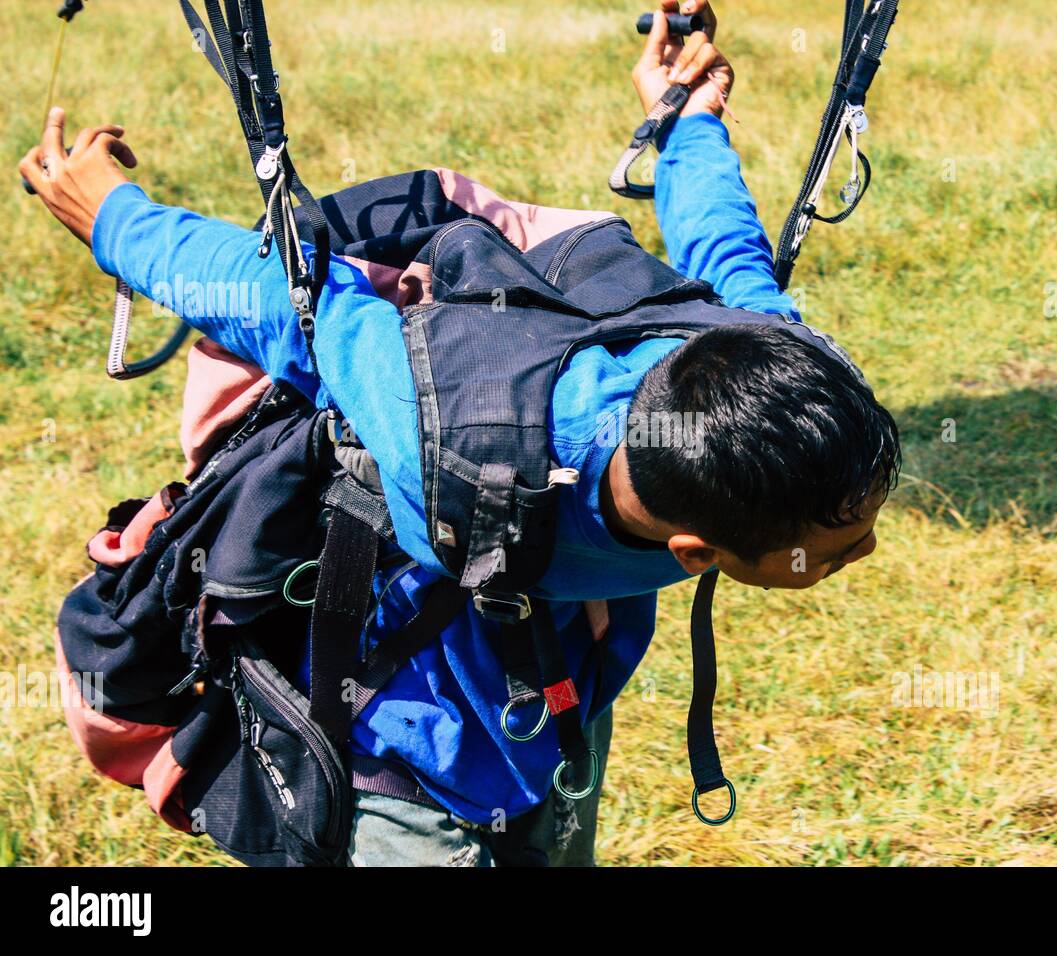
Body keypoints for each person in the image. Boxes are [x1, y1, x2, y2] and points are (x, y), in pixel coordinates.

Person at [22, 1, 899, 865]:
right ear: (695, 553)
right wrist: (114, 218)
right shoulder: (447, 437)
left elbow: (726, 253)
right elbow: (294, 304)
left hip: (558, 695)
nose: (865, 553)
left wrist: (683, 118)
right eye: (839, 549)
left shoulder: (781, 362)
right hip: (403, 734)